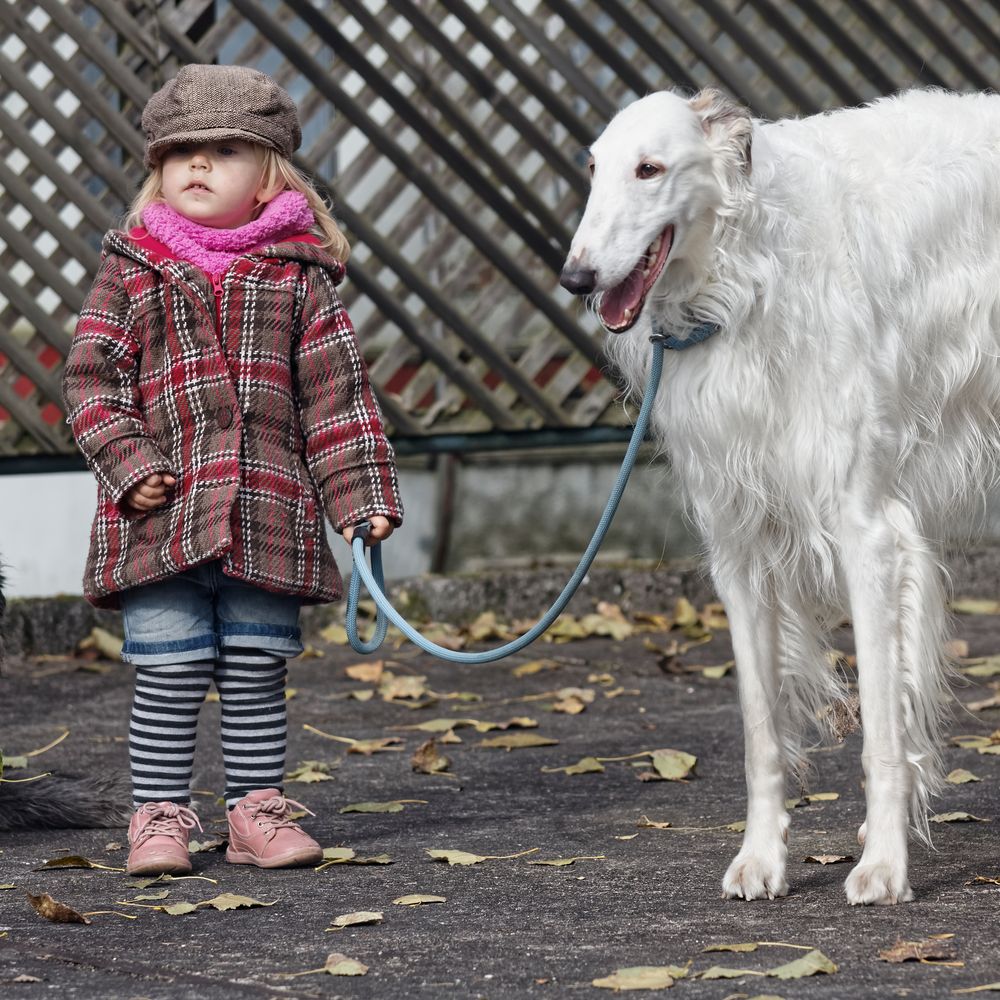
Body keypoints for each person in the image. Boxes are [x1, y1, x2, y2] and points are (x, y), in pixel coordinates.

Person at [62, 65, 402, 875]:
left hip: (266, 517)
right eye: (180, 152)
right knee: (170, 674)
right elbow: (91, 381)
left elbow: (337, 400)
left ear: (270, 174)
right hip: (160, 520)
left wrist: (362, 496)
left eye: (224, 151)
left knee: (255, 672)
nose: (198, 164)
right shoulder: (133, 268)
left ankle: (256, 814)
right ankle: (158, 819)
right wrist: (128, 463)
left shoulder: (300, 278)